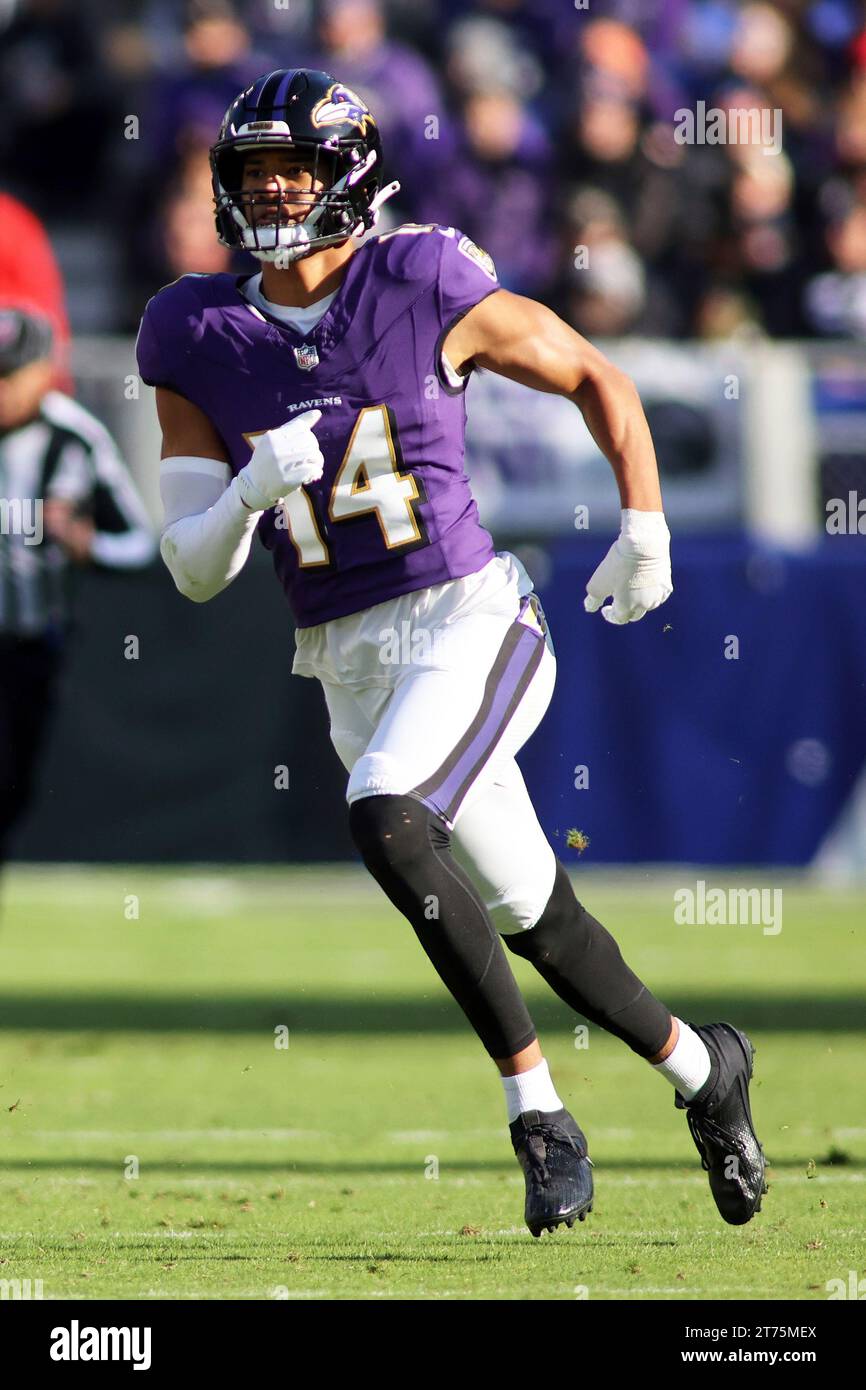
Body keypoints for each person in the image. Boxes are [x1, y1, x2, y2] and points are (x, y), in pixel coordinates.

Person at [136, 68, 767, 1236]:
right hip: (343, 656)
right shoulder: (196, 327)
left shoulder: (418, 277)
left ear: (348, 179)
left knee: (385, 815)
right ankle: (703, 1071)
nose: (270, 196)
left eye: (294, 173)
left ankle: (538, 1115)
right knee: (539, 917)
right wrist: (248, 492)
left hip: (470, 618)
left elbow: (594, 372)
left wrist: (645, 529)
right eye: (251, 176)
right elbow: (189, 565)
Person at [0, 307, 155, 868]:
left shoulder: (74, 439)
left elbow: (140, 543)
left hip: (31, 647)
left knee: (11, 789)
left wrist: (87, 546)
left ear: (43, 371)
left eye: (9, 376)